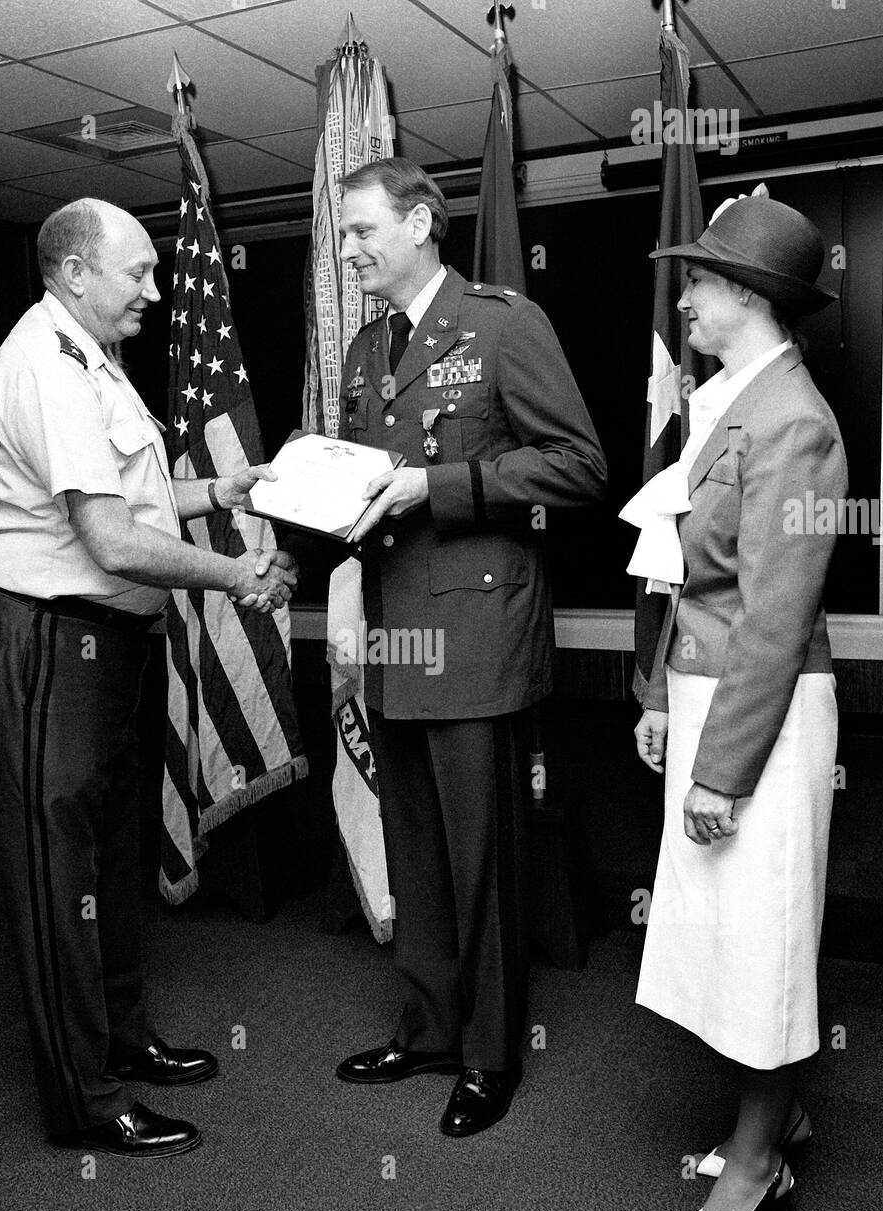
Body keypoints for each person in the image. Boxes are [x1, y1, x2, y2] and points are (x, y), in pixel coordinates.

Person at [0, 198, 298, 1158]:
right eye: (137, 272)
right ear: (74, 272)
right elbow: (109, 540)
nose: (155, 291)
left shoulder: (89, 355)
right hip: (44, 644)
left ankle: (119, 1036)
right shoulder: (43, 366)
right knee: (55, 869)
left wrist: (216, 492)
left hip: (100, 646)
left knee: (106, 858)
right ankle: (82, 1097)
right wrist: (239, 572)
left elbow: (133, 496)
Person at [333, 158, 606, 1136]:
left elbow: (578, 464)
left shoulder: (501, 324)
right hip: (396, 639)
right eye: (342, 232)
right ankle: (430, 1027)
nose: (348, 247)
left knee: (482, 858)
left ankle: (490, 1056)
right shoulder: (366, 350)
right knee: (418, 856)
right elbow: (368, 477)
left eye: (363, 230)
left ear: (419, 224)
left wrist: (434, 488)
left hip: (477, 642)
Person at [624, 194, 847, 1211]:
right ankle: (775, 1110)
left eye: (700, 281)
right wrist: (663, 693)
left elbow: (772, 616)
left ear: (749, 296)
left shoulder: (792, 420)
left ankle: (758, 1158)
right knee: (717, 933)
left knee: (761, 935)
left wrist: (722, 771)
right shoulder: (724, 399)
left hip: (763, 713)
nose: (684, 298)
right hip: (712, 698)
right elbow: (679, 572)